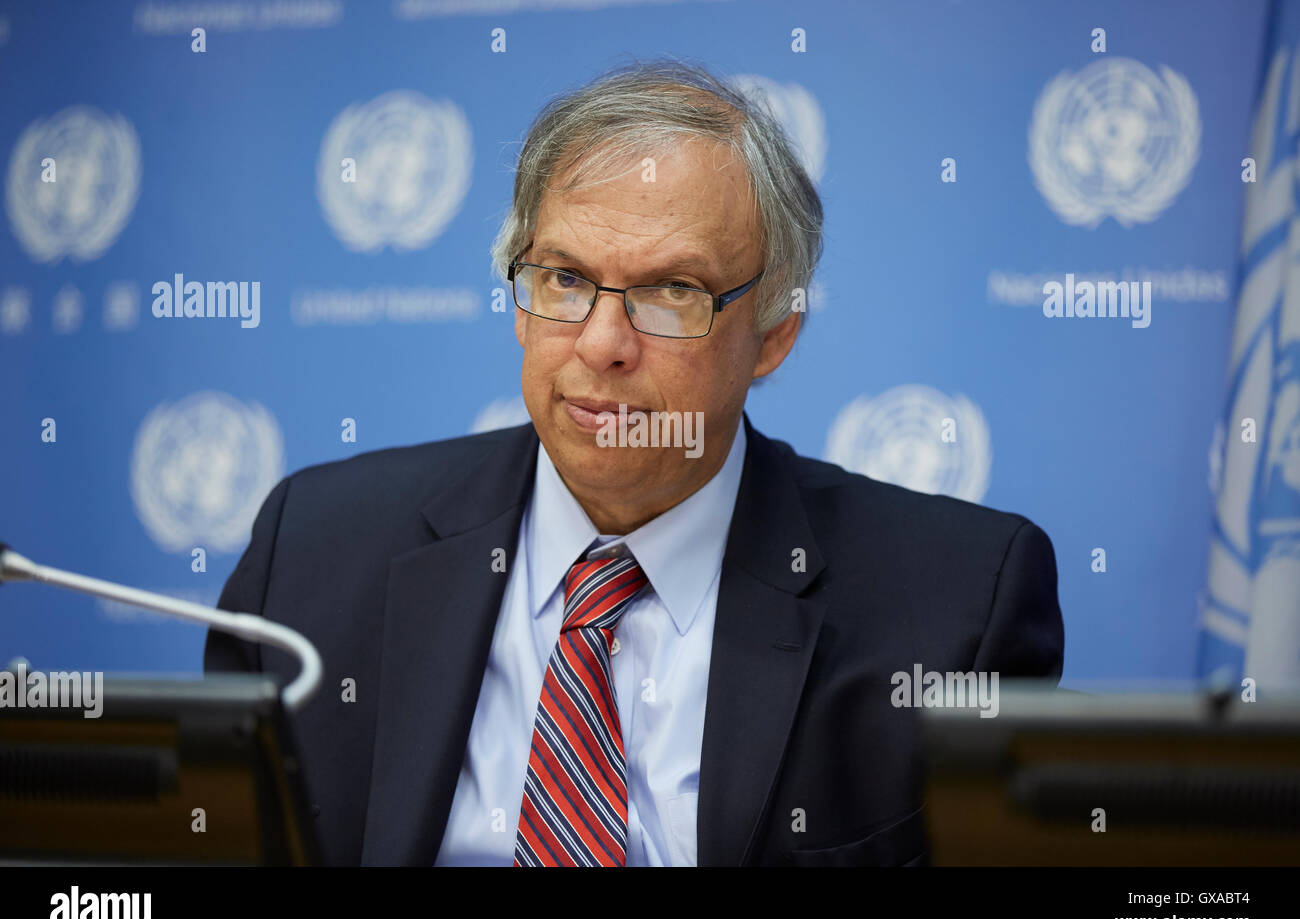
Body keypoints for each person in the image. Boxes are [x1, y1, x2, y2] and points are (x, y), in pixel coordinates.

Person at [206, 59, 1064, 867]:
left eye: (672, 293)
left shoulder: (952, 609)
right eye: (565, 279)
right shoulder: (313, 553)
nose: (603, 344)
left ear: (773, 336)